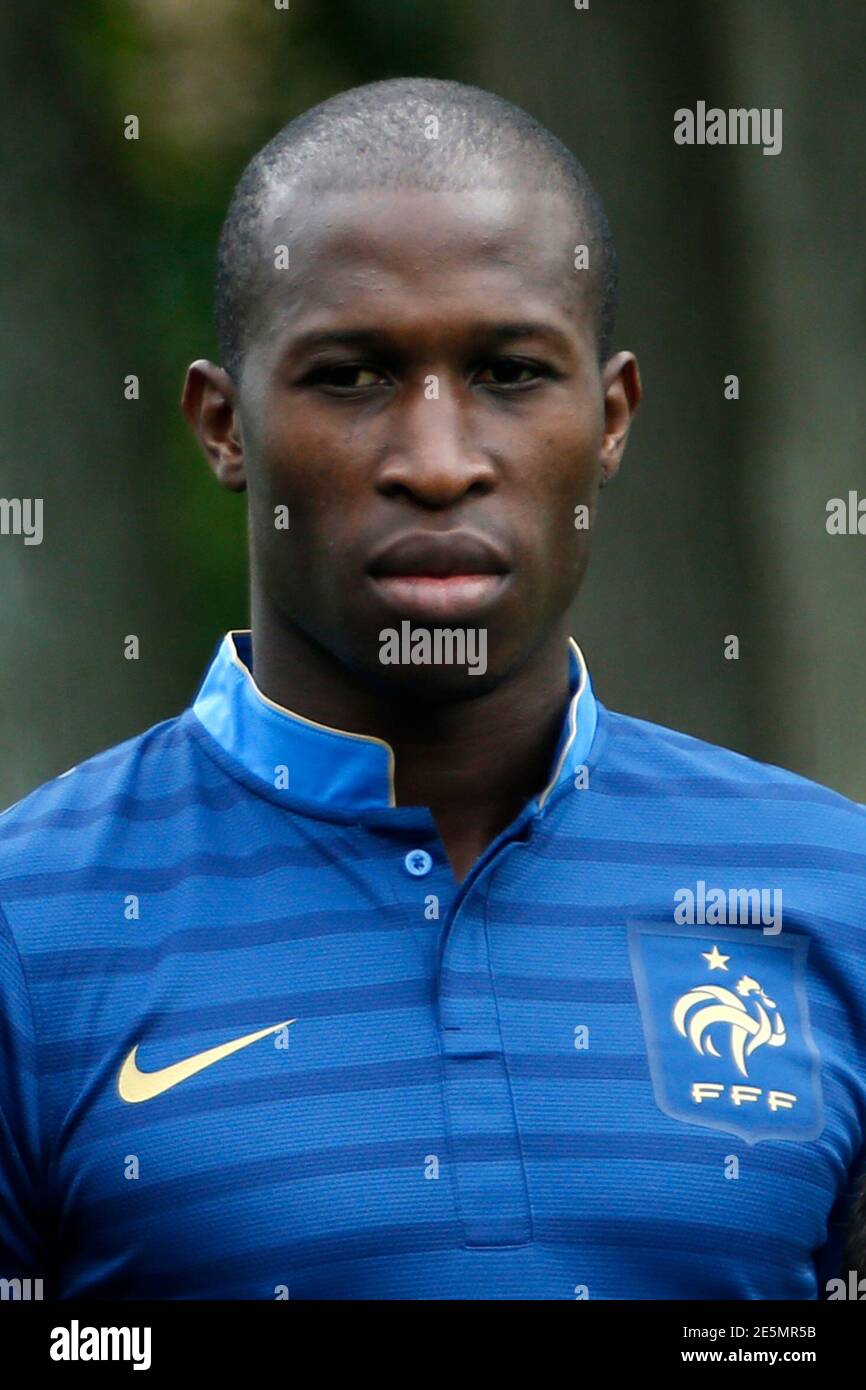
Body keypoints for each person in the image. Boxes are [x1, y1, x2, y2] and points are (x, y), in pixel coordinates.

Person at [1, 77, 864, 1301]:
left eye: (510, 372)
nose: (438, 462)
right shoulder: (29, 933)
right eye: (348, 376)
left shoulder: (832, 890)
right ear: (223, 425)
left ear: (609, 418)